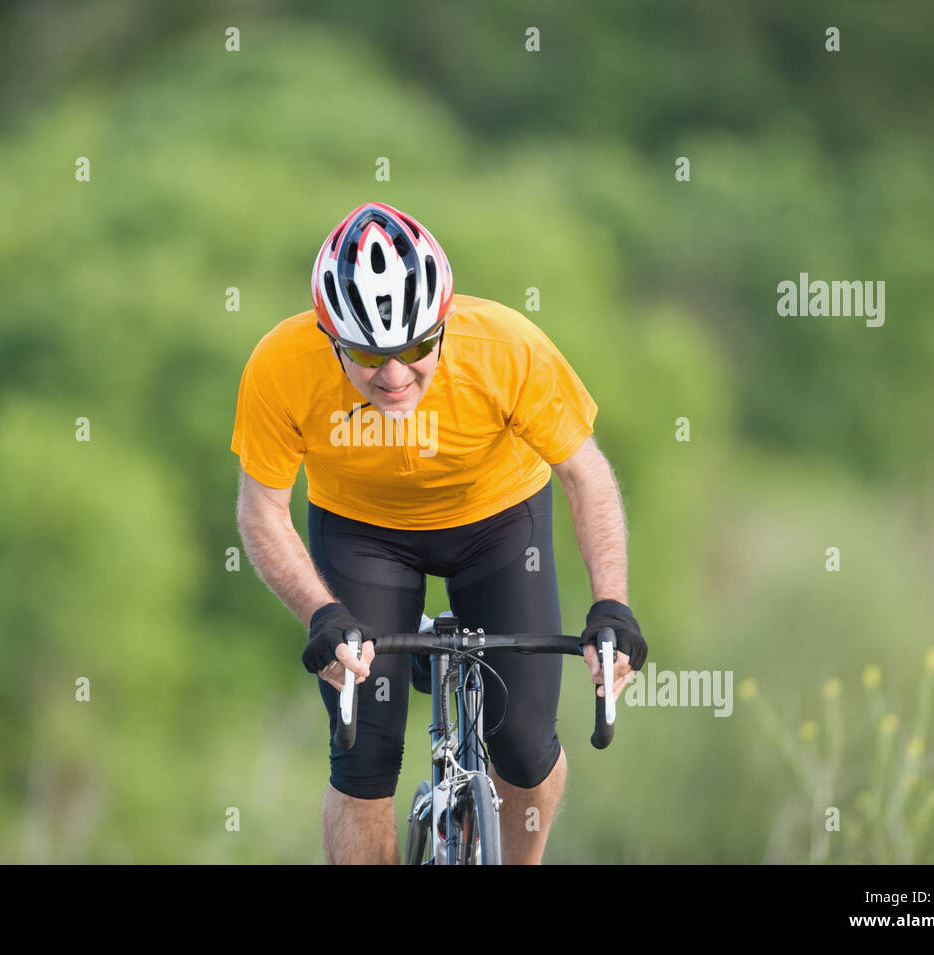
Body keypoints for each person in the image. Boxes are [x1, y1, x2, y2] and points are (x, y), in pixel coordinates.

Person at [230, 201, 646, 864]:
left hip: (499, 522)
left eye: (417, 348)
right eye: (367, 354)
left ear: (445, 325)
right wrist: (322, 613)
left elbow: (586, 475)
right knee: (361, 763)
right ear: (328, 335)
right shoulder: (281, 366)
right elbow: (261, 511)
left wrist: (613, 606)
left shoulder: (508, 347)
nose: (394, 376)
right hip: (362, 533)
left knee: (526, 748)